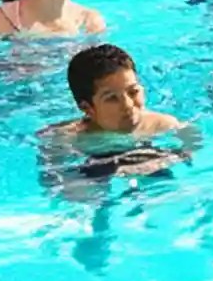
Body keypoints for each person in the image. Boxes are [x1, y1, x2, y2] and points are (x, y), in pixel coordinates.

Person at [40, 43, 197, 179]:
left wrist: (177, 157)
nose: (127, 104)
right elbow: (54, 179)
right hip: (96, 163)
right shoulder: (69, 138)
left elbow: (192, 145)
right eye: (112, 98)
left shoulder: (162, 125)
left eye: (133, 92)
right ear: (87, 108)